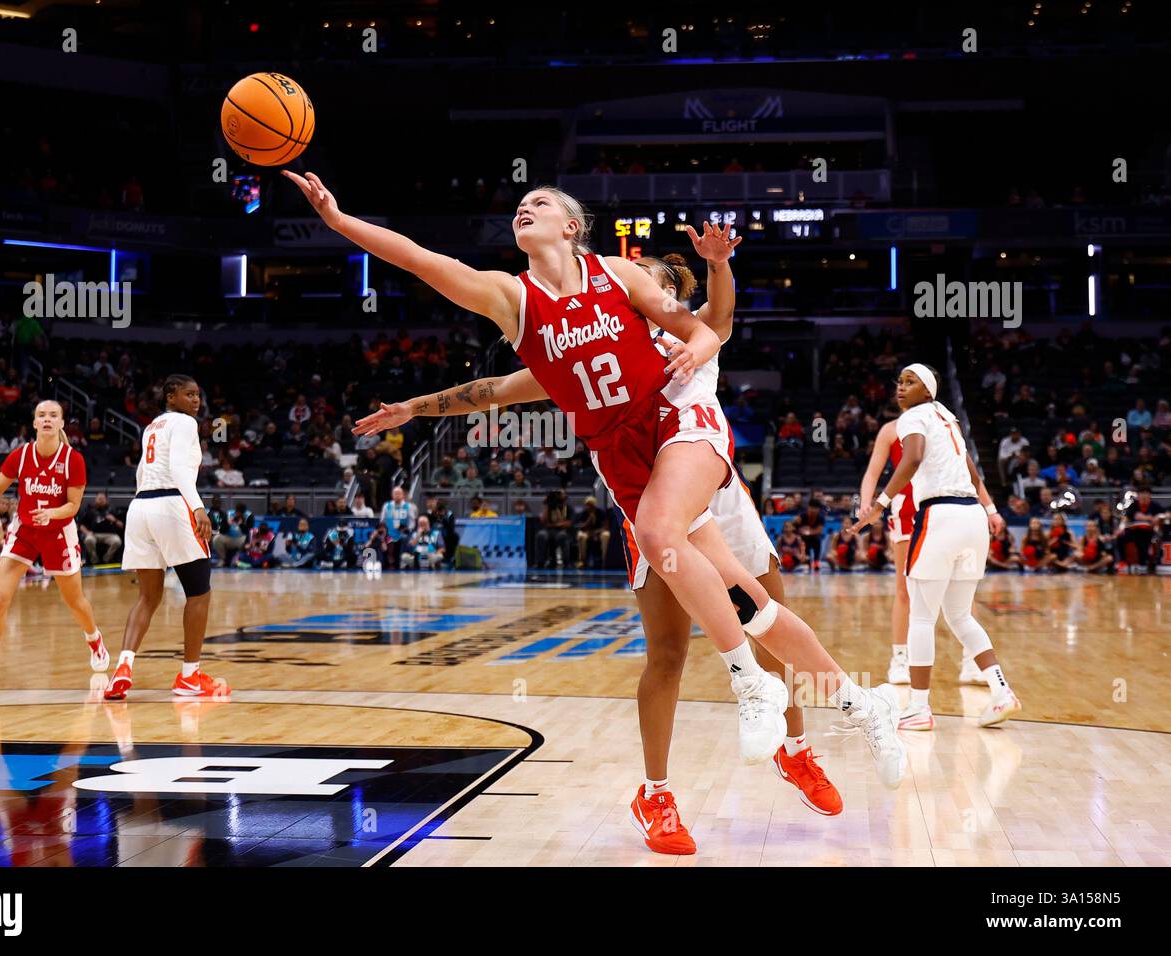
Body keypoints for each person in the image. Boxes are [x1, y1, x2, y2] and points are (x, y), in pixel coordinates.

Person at [295, 171, 904, 824]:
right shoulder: (514, 299)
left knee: (663, 537)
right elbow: (429, 273)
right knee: (748, 608)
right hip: (624, 460)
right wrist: (341, 225)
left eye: (543, 202)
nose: (526, 206)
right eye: (521, 204)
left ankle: (750, 686)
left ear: (571, 226)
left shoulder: (619, 277)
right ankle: (863, 704)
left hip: (677, 428)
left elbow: (708, 330)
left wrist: (695, 342)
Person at [849, 364, 1021, 731]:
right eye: (899, 382)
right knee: (960, 615)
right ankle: (1001, 690)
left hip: (939, 515)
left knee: (922, 616)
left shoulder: (914, 417)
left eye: (910, 382)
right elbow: (973, 471)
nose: (900, 387)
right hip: (972, 517)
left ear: (928, 390)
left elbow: (910, 459)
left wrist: (879, 504)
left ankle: (919, 707)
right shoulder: (949, 419)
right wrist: (991, 508)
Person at [0, 400, 109, 684]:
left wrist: (51, 513)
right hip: (24, 531)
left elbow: (73, 506)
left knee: (75, 601)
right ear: (34, 423)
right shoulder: (20, 455)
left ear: (61, 424)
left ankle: (94, 639)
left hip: (58, 533)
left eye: (53, 415)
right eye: (41, 415)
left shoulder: (73, 459)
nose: (47, 419)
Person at [106, 375, 226, 701]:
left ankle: (123, 667)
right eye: (188, 394)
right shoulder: (184, 423)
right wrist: (198, 508)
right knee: (199, 593)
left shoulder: (152, 427)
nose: (196, 401)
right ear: (170, 396)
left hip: (140, 507)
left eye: (198, 395)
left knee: (147, 597)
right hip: (172, 503)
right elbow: (177, 469)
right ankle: (189, 676)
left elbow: (141, 474)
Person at [80, 491, 125, 565]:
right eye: (99, 499)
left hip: (109, 535)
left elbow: (121, 525)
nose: (101, 501)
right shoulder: (89, 510)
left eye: (103, 499)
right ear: (95, 499)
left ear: (106, 500)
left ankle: (106, 559)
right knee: (88, 540)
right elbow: (81, 525)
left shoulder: (112, 510)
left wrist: (114, 520)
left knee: (117, 541)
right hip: (94, 534)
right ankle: (94, 560)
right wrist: (87, 532)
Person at [575, 495, 611, 569]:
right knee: (581, 536)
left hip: (598, 532)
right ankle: (582, 561)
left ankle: (605, 561)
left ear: (594, 505)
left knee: (606, 535)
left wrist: (597, 532)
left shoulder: (600, 512)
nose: (589, 507)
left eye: (590, 505)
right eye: (587, 505)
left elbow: (606, 526)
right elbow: (581, 527)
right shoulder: (584, 513)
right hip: (587, 532)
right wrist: (588, 521)